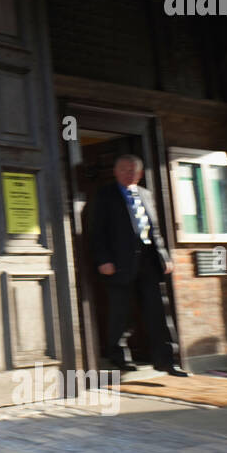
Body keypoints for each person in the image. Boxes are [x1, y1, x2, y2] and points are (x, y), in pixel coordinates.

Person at [87, 153, 189, 377]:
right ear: (115, 171)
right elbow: (97, 232)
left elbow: (155, 230)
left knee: (158, 313)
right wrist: (103, 260)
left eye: (132, 170)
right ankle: (119, 357)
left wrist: (164, 256)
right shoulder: (104, 195)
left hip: (148, 261)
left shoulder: (146, 194)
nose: (128, 173)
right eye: (123, 169)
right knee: (120, 313)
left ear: (140, 174)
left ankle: (166, 361)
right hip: (119, 262)